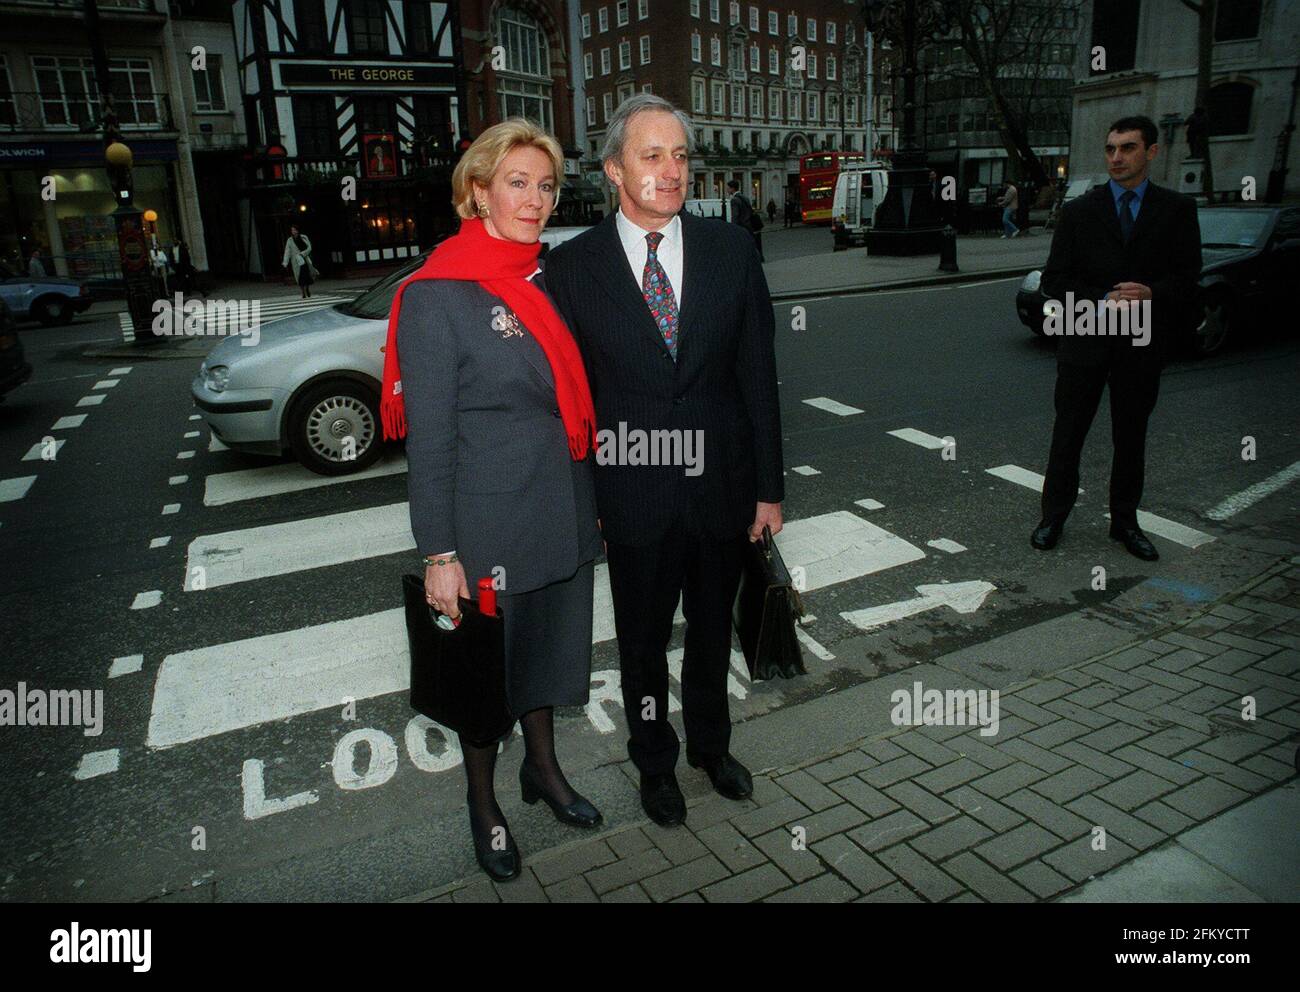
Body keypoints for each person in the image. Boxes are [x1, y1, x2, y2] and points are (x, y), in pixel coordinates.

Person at [544, 95, 784, 828]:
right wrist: (586, 503)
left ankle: (711, 747)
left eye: (681, 155)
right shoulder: (573, 268)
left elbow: (758, 379)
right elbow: (566, 405)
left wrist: (768, 492)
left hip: (721, 492)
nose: (672, 170)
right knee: (644, 649)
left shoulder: (731, 251)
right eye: (653, 156)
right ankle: (655, 764)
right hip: (634, 500)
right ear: (615, 168)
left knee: (712, 635)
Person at [380, 117, 604, 882]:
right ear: (477, 190)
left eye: (545, 186)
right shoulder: (437, 294)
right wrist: (438, 552)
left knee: (545, 652)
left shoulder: (543, 276)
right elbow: (431, 439)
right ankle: (484, 805)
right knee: (485, 677)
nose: (535, 199)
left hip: (562, 505)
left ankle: (542, 770)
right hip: (487, 526)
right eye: (517, 182)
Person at [1032, 114, 1201, 562]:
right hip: (1086, 334)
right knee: (1068, 433)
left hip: (1141, 341)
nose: (1116, 157)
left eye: (1127, 148)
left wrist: (1151, 292)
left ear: (1151, 152)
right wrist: (1101, 298)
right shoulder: (1080, 211)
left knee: (1131, 436)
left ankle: (1125, 522)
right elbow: (1054, 280)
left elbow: (1188, 280)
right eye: (1110, 149)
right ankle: (1053, 517)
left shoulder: (1177, 211)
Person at [727, 178, 764, 261]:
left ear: (732, 188)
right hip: (749, 225)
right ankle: (757, 258)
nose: (727, 190)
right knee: (750, 243)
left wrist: (733, 228)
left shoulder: (734, 200)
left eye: (728, 188)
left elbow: (735, 216)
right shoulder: (745, 197)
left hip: (741, 226)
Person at [282, 225, 315, 298]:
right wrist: (285, 262)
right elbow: (287, 251)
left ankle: (307, 289)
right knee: (299, 277)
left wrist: (303, 253)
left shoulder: (304, 237)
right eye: (292, 230)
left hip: (304, 259)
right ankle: (303, 292)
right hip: (296, 261)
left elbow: (309, 247)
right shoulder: (290, 240)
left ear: (297, 230)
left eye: (294, 230)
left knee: (306, 276)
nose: (293, 231)